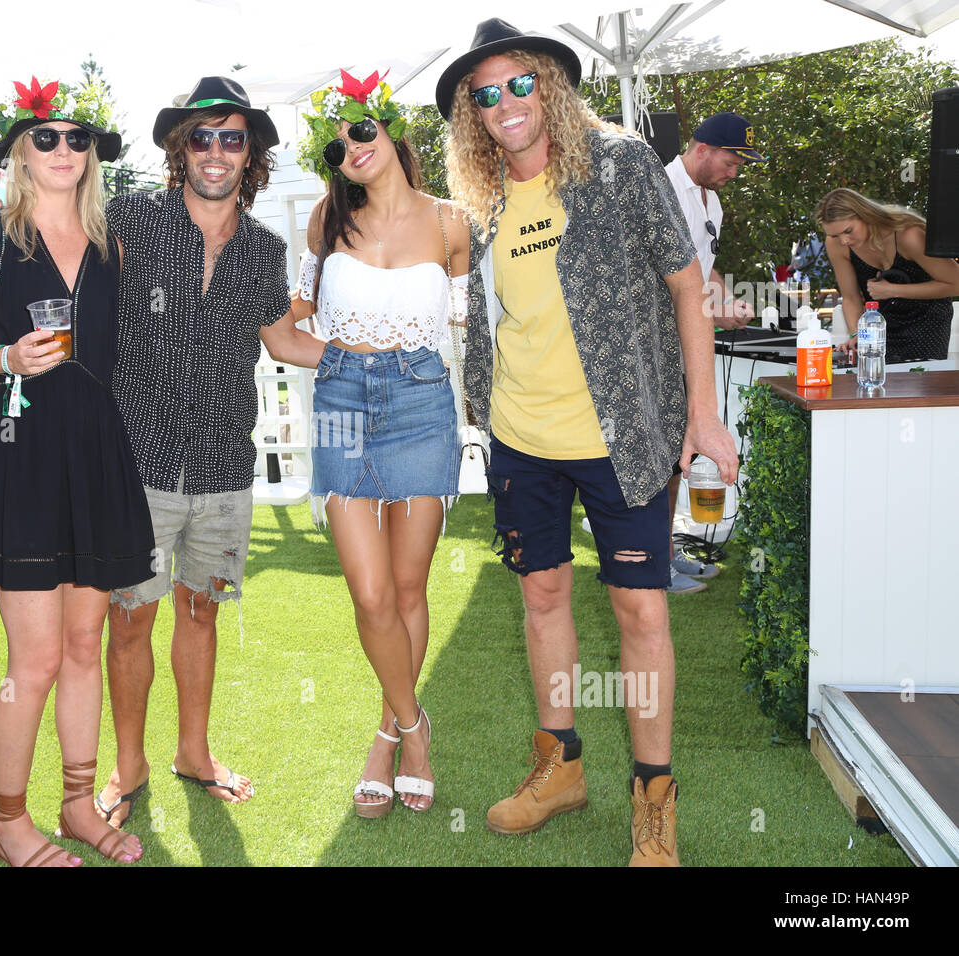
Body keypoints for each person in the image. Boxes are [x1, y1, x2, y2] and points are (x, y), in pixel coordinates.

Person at [0, 76, 322, 828]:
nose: (216, 151)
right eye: (202, 136)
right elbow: (49, 235)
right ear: (177, 149)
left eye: (231, 137)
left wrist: (364, 352)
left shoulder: (264, 249)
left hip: (225, 461)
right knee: (125, 624)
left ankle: (194, 750)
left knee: (201, 612)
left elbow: (282, 336)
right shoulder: (127, 221)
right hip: (133, 463)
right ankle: (128, 766)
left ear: (249, 152)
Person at [439, 18, 738, 865]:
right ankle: (560, 767)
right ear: (474, 111)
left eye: (519, 83)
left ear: (550, 82)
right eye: (486, 93)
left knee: (640, 607)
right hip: (520, 437)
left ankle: (654, 800)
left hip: (625, 431)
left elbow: (689, 288)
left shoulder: (621, 164)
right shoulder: (484, 194)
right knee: (541, 597)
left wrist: (703, 415)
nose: (506, 104)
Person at [0, 76, 152, 866]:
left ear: (94, 155)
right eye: (46, 137)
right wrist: (4, 356)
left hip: (94, 456)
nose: (64, 150)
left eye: (77, 138)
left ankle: (79, 805)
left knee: (86, 646)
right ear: (21, 151)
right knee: (37, 658)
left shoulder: (111, 244)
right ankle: (9, 824)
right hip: (21, 458)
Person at [289, 69, 466, 815]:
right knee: (367, 593)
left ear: (391, 129)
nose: (351, 148)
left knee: (405, 588)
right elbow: (285, 327)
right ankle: (412, 721)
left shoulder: (453, 223)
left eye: (362, 130)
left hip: (423, 406)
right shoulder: (324, 224)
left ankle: (388, 736)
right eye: (336, 145)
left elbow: (470, 325)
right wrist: (334, 358)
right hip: (339, 406)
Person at [662, 112, 764, 594]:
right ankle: (648, 562)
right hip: (655, 344)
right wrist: (709, 310)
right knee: (661, 454)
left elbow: (705, 269)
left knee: (678, 452)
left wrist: (724, 302)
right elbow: (661, 281)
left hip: (689, 341)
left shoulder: (713, 203)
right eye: (730, 161)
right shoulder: (658, 189)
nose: (734, 172)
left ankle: (662, 550)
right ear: (701, 149)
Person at [815, 187, 959, 363]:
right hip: (878, 325)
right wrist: (858, 334)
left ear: (865, 215)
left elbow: (956, 283)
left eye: (848, 231)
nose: (844, 240)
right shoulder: (836, 244)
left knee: (917, 382)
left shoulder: (908, 235)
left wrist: (892, 290)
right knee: (874, 382)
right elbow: (851, 297)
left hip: (927, 321)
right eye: (835, 235)